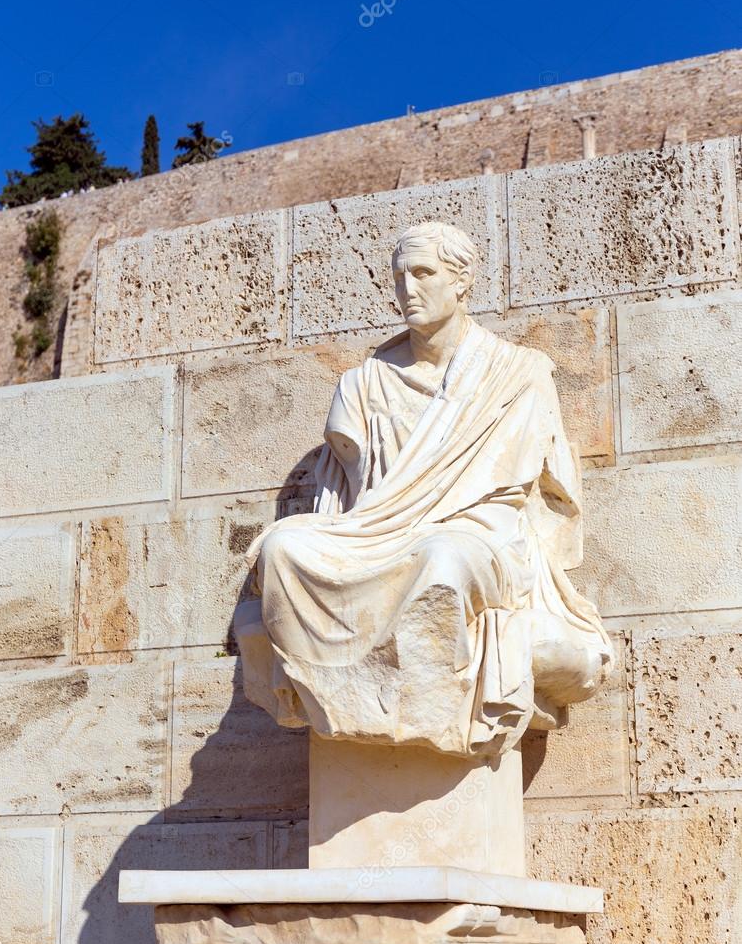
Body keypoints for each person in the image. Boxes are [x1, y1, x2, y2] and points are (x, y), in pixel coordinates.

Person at [239, 221, 613, 758]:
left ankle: (423, 707)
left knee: (442, 558)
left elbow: (543, 495)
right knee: (282, 547)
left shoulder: (517, 373)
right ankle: (336, 696)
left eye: (423, 273)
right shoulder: (364, 383)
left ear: (461, 281)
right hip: (378, 532)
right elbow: (350, 498)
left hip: (478, 537)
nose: (407, 289)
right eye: (399, 277)